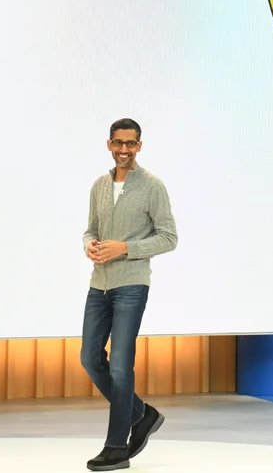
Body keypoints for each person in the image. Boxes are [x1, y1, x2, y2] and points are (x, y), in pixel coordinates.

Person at [80, 118, 177, 471]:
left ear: (139, 146)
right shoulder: (99, 186)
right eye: (118, 143)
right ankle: (142, 414)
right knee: (90, 359)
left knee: (121, 366)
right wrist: (89, 244)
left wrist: (125, 248)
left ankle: (116, 446)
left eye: (130, 144)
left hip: (132, 284)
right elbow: (91, 228)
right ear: (109, 144)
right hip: (98, 284)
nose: (124, 149)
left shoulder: (152, 186)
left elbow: (169, 237)